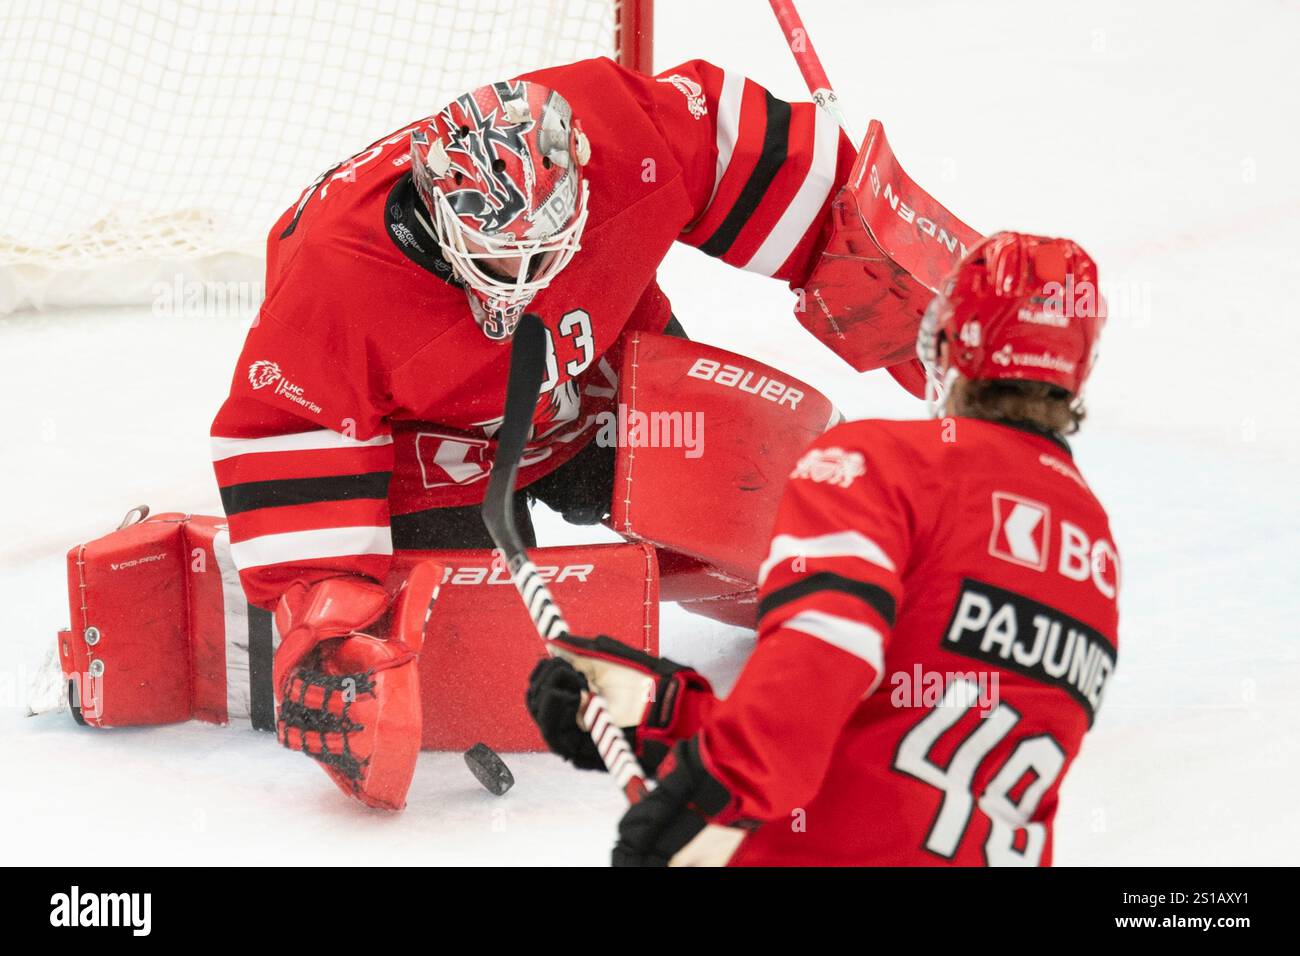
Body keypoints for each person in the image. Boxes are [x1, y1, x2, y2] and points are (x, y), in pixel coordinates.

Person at [527, 230, 1120, 866]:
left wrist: (709, 794)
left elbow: (823, 663)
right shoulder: (1094, 553)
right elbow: (886, 742)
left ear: (954, 340)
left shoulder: (881, 464)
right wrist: (664, 712)